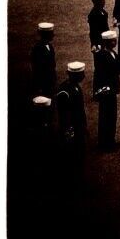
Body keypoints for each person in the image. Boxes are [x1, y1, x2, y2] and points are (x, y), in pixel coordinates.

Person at [54, 61, 89, 196]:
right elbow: (65, 114)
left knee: (79, 156)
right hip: (72, 129)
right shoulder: (65, 91)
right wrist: (69, 131)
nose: (83, 76)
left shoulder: (73, 87)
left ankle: (78, 182)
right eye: (81, 74)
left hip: (78, 127)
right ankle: (73, 186)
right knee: (72, 157)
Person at [92, 30, 120, 151]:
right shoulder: (102, 56)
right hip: (106, 91)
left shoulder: (112, 53)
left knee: (112, 116)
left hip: (112, 89)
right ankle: (104, 142)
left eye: (115, 40)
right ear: (106, 42)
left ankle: (110, 140)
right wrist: (100, 90)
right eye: (112, 41)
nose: (115, 42)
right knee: (105, 116)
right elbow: (99, 74)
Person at [30, 22, 57, 98]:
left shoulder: (49, 46)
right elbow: (37, 68)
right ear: (47, 35)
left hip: (49, 81)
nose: (53, 35)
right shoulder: (38, 48)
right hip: (43, 82)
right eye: (51, 33)